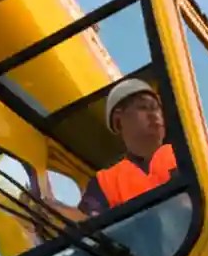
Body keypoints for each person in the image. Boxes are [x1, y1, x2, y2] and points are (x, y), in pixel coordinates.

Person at [76, 78, 178, 216]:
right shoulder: (105, 182)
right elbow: (85, 220)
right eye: (143, 107)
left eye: (156, 108)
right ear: (118, 121)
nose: (155, 115)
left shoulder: (185, 152)